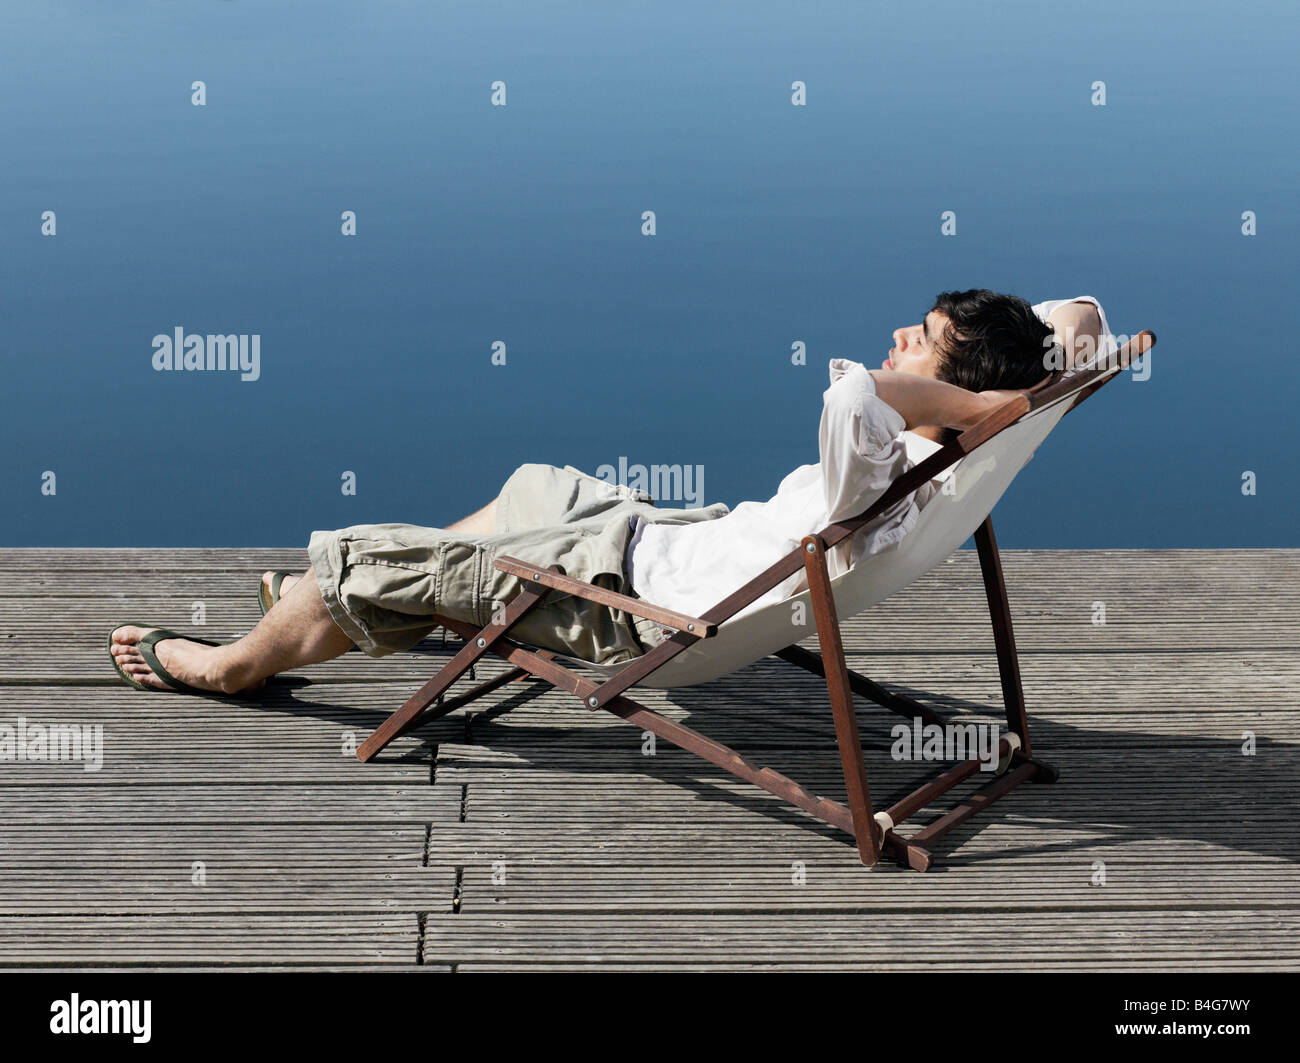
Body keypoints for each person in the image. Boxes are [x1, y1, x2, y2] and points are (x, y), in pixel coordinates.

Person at [108, 291, 1113, 695]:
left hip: (627, 610)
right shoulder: (942, 466)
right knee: (535, 484)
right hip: (659, 542)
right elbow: (1084, 311)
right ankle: (387, 600)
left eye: (923, 334)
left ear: (950, 384)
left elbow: (855, 392)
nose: (901, 334)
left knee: (358, 555)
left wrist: (969, 400)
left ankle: (242, 660)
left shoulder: (881, 470)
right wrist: (1010, 398)